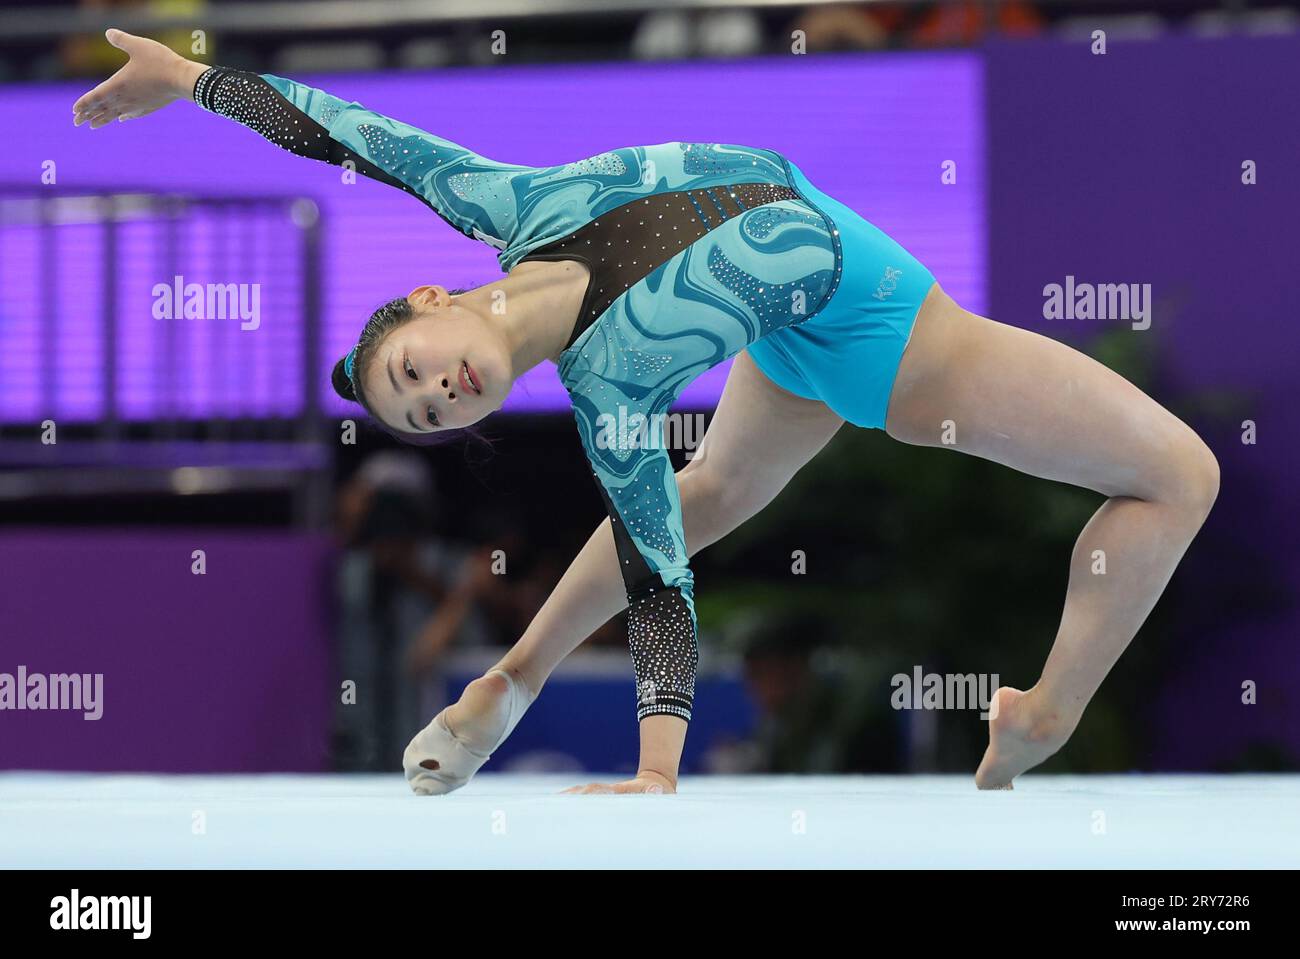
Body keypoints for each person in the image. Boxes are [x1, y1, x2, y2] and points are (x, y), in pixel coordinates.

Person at [74, 29, 1219, 795]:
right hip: (888, 334)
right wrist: (656, 770)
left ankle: (506, 682)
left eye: (413, 371)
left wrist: (186, 79)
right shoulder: (609, 389)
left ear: (431, 300)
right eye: (421, 416)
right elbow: (661, 578)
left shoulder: (506, 203)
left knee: (709, 486)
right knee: (1181, 475)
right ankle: (1048, 712)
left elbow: (343, 132)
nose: (434, 393)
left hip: (795, 326)